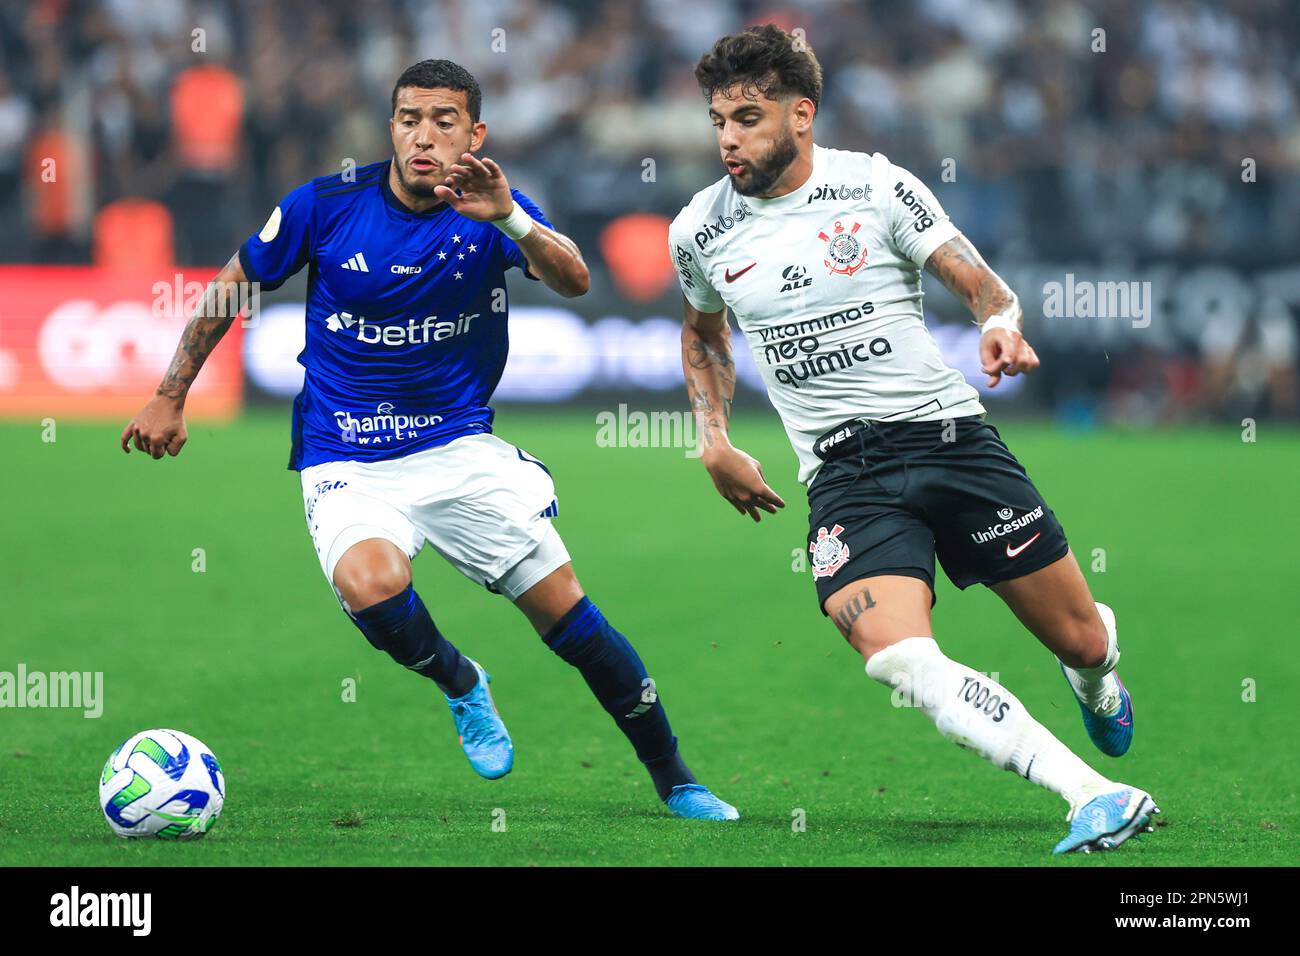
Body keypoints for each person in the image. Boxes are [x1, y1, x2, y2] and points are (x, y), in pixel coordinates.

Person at [122, 58, 737, 822]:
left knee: (568, 616)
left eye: (444, 121)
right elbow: (235, 283)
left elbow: (576, 280)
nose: (424, 135)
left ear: (474, 133)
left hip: (457, 450)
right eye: (410, 118)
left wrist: (510, 216)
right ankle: (460, 682)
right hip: (344, 451)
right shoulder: (325, 206)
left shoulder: (491, 207)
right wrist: (169, 393)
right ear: (390, 128)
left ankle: (675, 777)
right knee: (370, 585)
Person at [669, 26, 1157, 852]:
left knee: (1077, 634)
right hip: (844, 478)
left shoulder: (876, 187)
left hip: (950, 442)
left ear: (802, 113)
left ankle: (1096, 671)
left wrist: (1000, 324)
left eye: (747, 117)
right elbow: (704, 335)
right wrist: (712, 437)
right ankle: (1092, 793)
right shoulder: (699, 231)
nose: (727, 138)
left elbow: (978, 280)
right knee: (899, 659)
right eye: (718, 119)